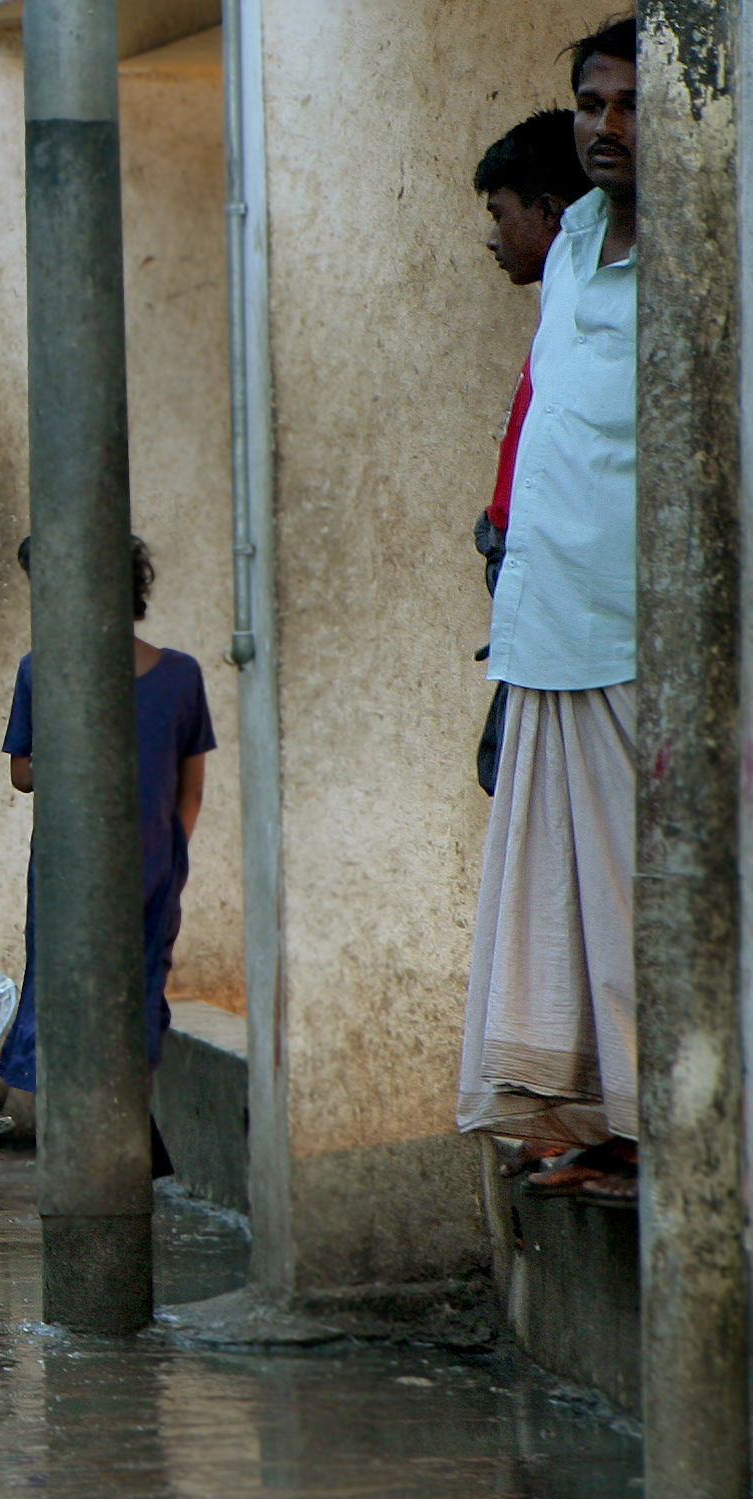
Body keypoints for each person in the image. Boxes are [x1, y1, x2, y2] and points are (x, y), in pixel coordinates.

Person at [467, 17, 643, 1190]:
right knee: (568, 910)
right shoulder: (575, 234)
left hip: (642, 634)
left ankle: (675, 1136)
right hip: (545, 628)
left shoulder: (708, 249)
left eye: (629, 104)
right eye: (590, 103)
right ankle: (602, 1125)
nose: (604, 126)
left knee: (646, 905)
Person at [0, 536, 212, 1119]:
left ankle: (121, 1159)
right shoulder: (39, 672)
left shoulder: (179, 678)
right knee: (60, 999)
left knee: (136, 1004)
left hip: (148, 872)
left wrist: (166, 859)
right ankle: (75, 1161)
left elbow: (190, 788)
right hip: (66, 871)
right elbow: (22, 772)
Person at [472, 108, 585, 794]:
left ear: (549, 213)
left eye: (499, 211)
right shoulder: (558, 310)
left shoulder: (588, 316)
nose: (492, 236)